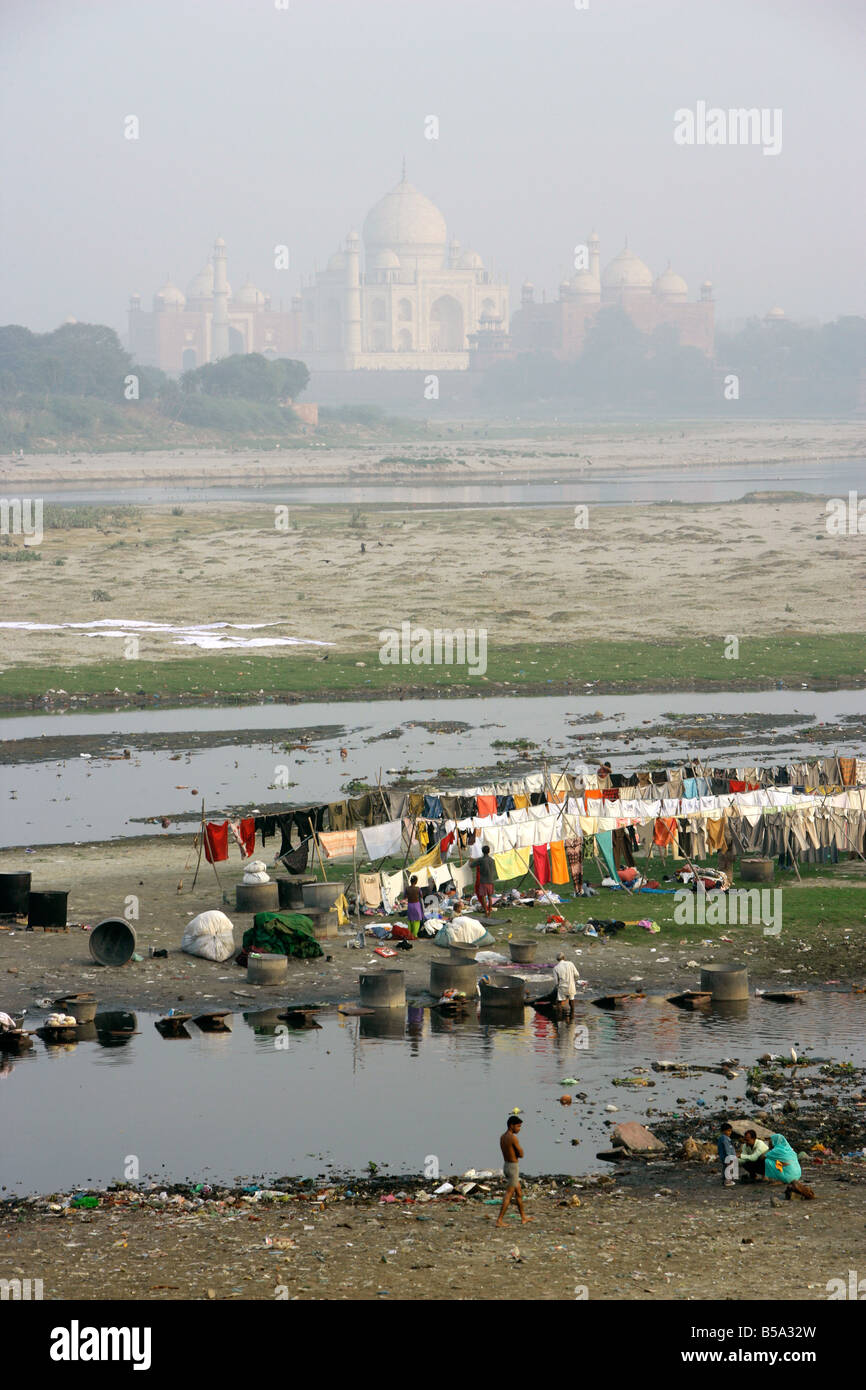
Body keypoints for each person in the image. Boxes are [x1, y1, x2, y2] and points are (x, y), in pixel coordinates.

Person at [496, 1116, 531, 1226]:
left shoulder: (502, 1137)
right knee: (509, 1194)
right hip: (513, 1168)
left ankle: (523, 1217)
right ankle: (499, 1220)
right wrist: (518, 1152)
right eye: (518, 1126)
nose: (519, 1129)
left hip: (506, 1165)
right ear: (511, 1125)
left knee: (519, 1193)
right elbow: (521, 1154)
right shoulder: (513, 1138)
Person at [763, 1132, 815, 1200]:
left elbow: (762, 1157)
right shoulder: (789, 1149)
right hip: (798, 1175)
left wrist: (769, 1149)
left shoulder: (776, 1150)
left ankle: (779, 1180)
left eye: (770, 1142)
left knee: (768, 1161)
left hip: (788, 1177)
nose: (769, 1143)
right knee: (779, 1162)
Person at [553, 952, 582, 1019]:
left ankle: (559, 1017)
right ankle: (572, 1015)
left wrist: (557, 986)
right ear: (564, 958)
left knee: (559, 1002)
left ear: (557, 959)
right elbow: (577, 974)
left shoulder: (555, 968)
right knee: (571, 1000)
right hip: (571, 986)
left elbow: (556, 981)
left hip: (562, 987)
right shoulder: (570, 964)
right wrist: (573, 980)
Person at [477, 844, 497, 913]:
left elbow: (471, 865)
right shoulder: (491, 860)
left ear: (482, 851)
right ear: (489, 851)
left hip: (484, 881)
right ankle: (490, 909)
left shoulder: (481, 860)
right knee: (489, 897)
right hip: (491, 881)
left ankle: (486, 911)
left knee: (483, 897)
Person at [718, 1122, 737, 1187]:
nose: (730, 1132)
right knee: (729, 1168)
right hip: (728, 1157)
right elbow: (727, 1149)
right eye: (728, 1131)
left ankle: (724, 1179)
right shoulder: (725, 1139)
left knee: (725, 1168)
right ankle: (728, 1181)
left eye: (730, 1131)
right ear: (723, 1131)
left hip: (723, 1156)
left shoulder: (721, 1138)